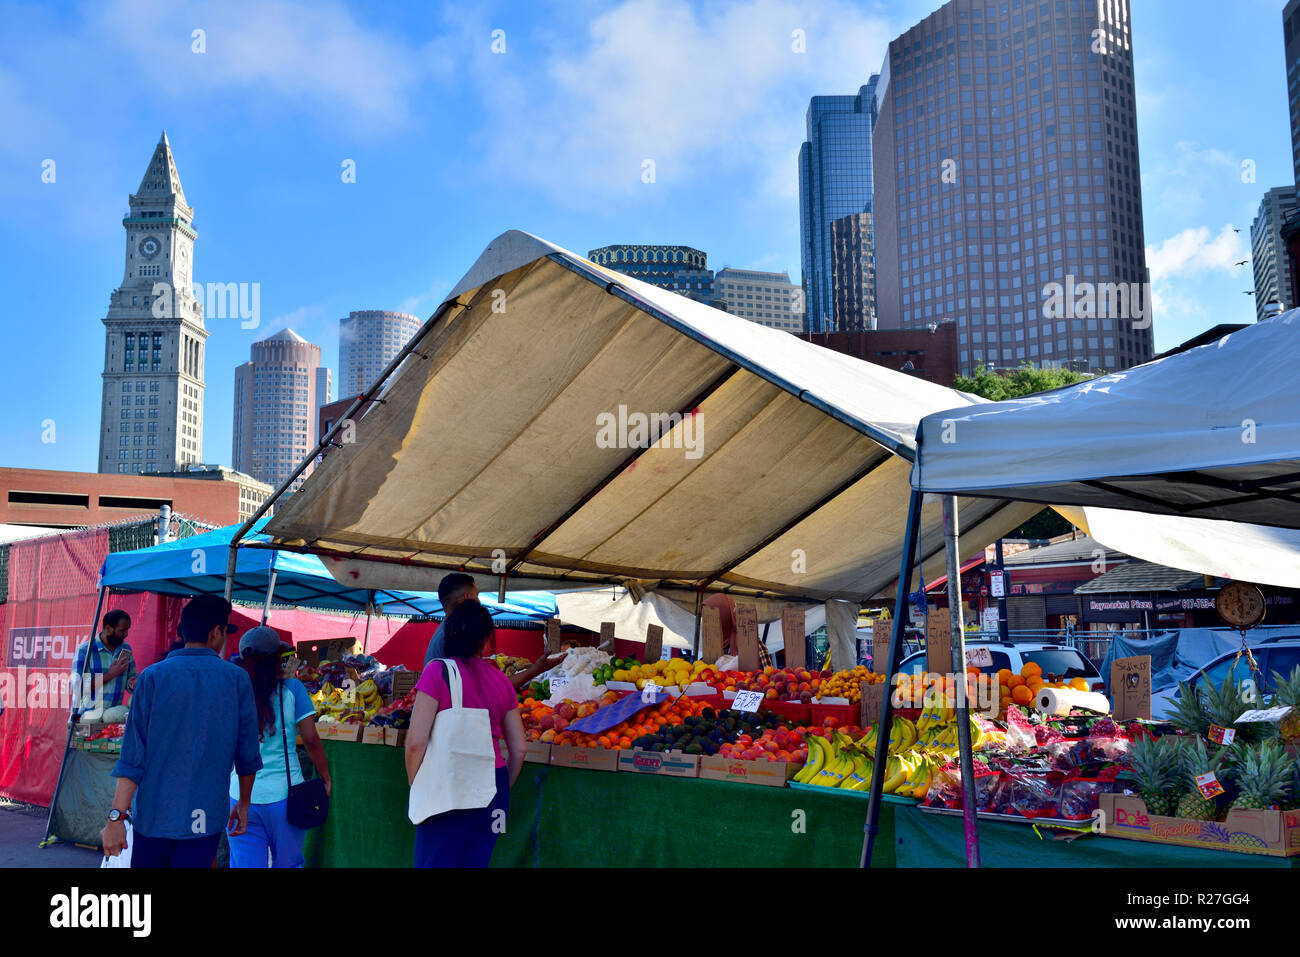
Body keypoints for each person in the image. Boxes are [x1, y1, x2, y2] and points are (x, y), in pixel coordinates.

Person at [101, 595, 262, 868]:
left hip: (153, 818)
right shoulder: (236, 679)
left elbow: (132, 758)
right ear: (216, 632)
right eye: (224, 631)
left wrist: (115, 819)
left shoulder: (152, 677)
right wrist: (243, 803)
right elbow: (247, 756)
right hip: (205, 819)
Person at [406, 601, 525, 867]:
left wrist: (418, 785)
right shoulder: (502, 680)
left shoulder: (437, 671)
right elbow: (519, 749)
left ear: (449, 634)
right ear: (486, 641)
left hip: (449, 786)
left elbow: (415, 743)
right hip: (494, 793)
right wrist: (501, 788)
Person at [226, 626, 330, 868]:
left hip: (241, 797)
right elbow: (311, 740)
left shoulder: (233, 689)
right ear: (278, 658)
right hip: (287, 796)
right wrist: (325, 777)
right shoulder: (293, 690)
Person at [72, 609, 138, 714]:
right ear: (108, 629)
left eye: (127, 630)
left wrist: (133, 683)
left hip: (113, 717)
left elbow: (131, 679)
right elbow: (78, 687)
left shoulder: (126, 649)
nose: (126, 634)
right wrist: (110, 674)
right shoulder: (85, 650)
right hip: (86, 717)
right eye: (122, 630)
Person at [423, 573, 479, 665]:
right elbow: (468, 674)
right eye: (476, 595)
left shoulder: (447, 629)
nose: (478, 600)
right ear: (466, 597)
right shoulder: (458, 632)